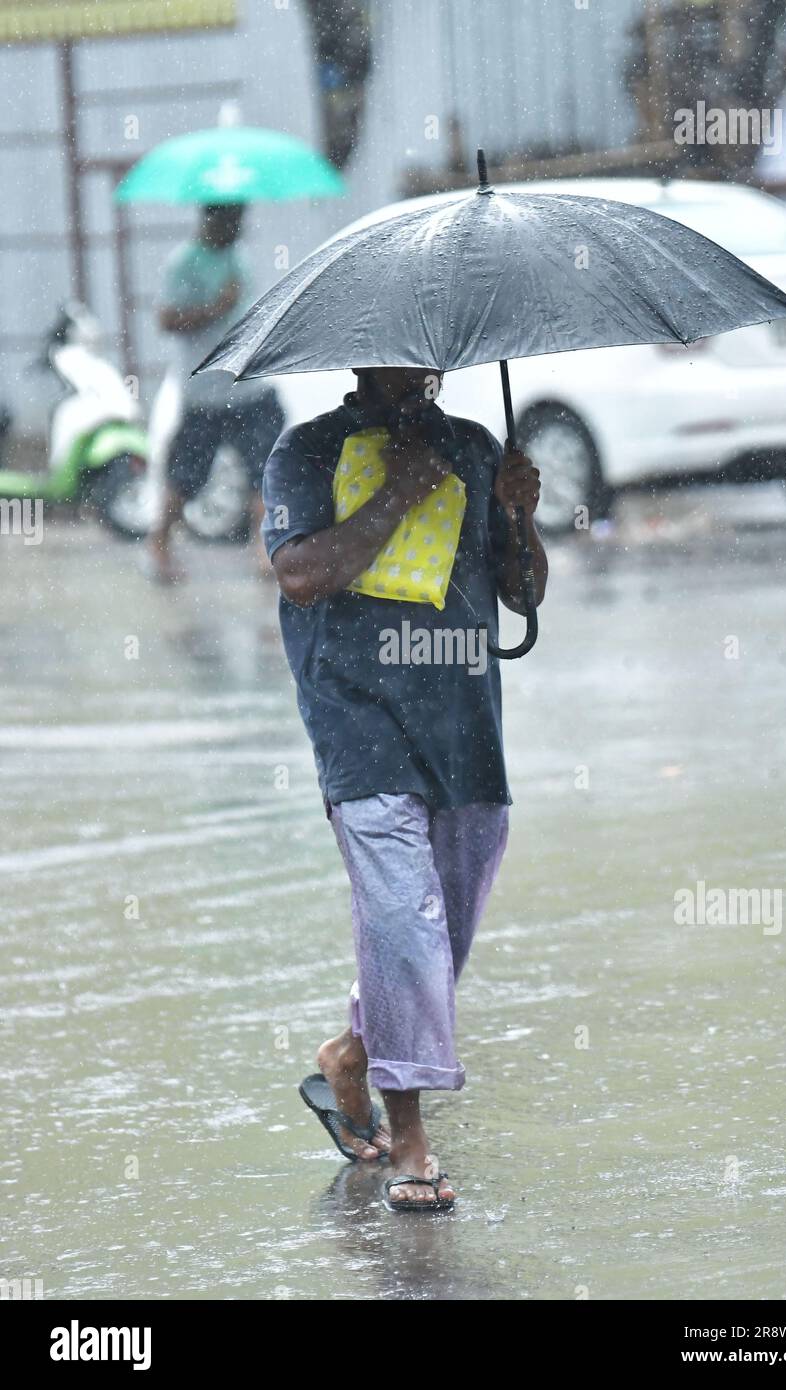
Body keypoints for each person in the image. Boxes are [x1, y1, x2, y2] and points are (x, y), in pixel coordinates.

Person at [261, 366, 547, 1208]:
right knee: (402, 917)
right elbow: (301, 574)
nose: (419, 373)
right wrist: (395, 495)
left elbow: (520, 589)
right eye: (398, 354)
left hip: (464, 722)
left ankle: (357, 1049)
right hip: (358, 720)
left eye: (429, 358)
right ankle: (412, 1142)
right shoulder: (305, 451)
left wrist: (518, 514)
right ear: (358, 360)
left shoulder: (474, 446)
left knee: (441, 927)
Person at [148, 203, 284, 581]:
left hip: (250, 387)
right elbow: (166, 319)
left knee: (265, 470)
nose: (238, 229)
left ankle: (263, 548)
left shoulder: (239, 257)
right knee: (185, 477)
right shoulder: (184, 262)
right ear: (211, 219)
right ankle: (159, 540)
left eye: (241, 220)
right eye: (230, 221)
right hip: (205, 393)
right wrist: (213, 308)